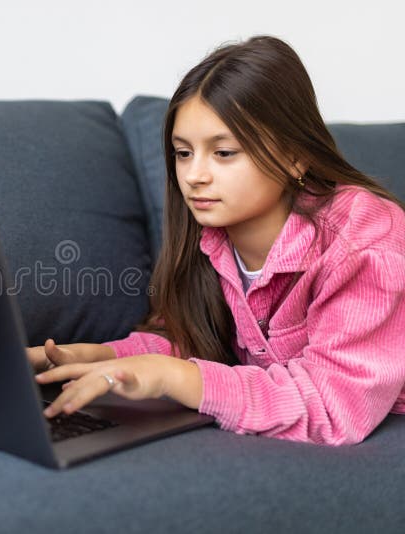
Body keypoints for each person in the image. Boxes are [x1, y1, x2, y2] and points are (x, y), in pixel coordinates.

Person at [26, 35, 405, 446]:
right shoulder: (210, 234)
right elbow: (193, 338)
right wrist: (106, 357)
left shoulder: (364, 239)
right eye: (183, 153)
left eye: (223, 153)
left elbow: (334, 408)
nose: (193, 176)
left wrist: (177, 377)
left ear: (295, 156)